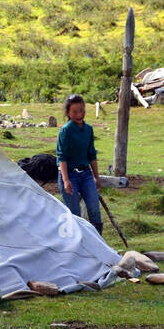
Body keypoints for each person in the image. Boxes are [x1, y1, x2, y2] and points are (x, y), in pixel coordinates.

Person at [56, 93, 102, 235]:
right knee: (74, 214)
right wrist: (66, 180)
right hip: (69, 175)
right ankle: (77, 246)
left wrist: (96, 176)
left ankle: (97, 243)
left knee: (94, 209)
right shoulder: (66, 131)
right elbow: (61, 157)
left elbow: (91, 154)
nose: (79, 114)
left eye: (81, 110)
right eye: (75, 111)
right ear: (68, 113)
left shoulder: (88, 129)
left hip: (86, 174)